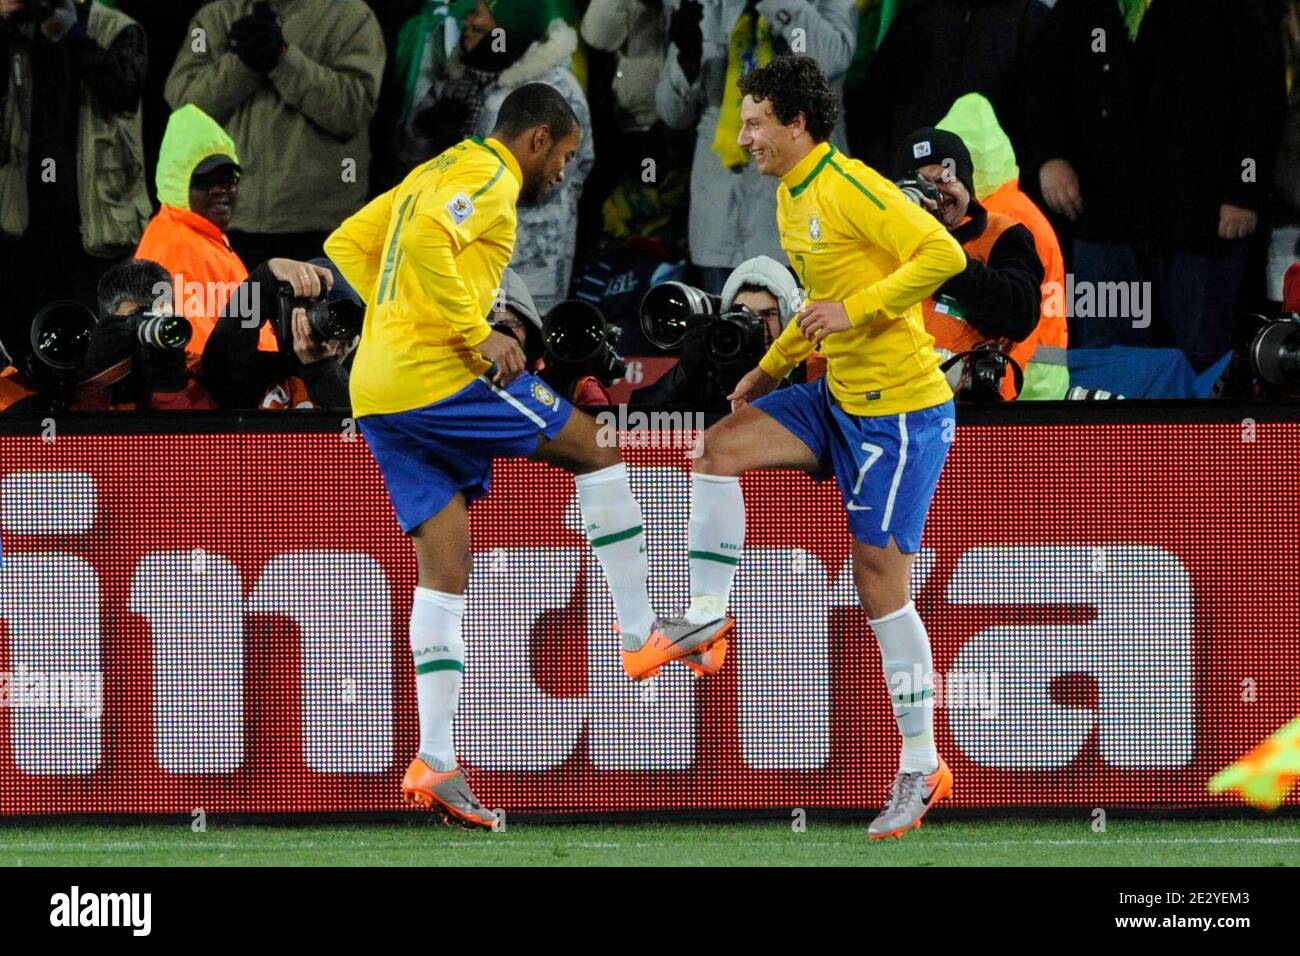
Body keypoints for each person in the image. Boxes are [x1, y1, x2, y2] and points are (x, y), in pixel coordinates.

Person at [323, 83, 730, 828]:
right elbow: (420, 246)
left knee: (445, 563)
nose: (565, 174)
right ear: (537, 140)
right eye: (567, 157)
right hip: (435, 374)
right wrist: (472, 330)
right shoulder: (489, 177)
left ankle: (436, 759)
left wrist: (393, 319)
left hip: (377, 388)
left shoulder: (430, 173)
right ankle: (639, 632)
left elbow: (350, 241)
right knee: (599, 446)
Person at [681, 56, 964, 839]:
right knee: (716, 449)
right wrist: (766, 373)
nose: (742, 137)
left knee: (879, 582)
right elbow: (814, 311)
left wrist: (859, 309)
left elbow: (942, 254)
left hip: (900, 413)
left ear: (797, 125)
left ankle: (921, 763)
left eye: (754, 122)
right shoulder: (787, 194)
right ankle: (707, 618)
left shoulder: (853, 186)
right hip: (835, 396)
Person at [1025, 0, 1284, 371]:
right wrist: (1050, 157)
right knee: (1107, 361)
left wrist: (1245, 189)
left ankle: (1199, 432)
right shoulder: (1083, 8)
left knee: (1202, 358)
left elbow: (1261, 92)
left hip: (1202, 220)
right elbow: (1041, 79)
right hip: (1105, 218)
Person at [655, 0, 858, 293]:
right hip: (718, 220)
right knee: (723, 334)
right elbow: (672, 113)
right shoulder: (708, 5)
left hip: (799, 224)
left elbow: (828, 60)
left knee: (801, 335)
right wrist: (687, 59)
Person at [164, 0, 386, 268]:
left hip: (318, 228)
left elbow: (352, 110)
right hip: (227, 225)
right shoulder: (214, 17)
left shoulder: (352, 16)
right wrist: (241, 64)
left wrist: (283, 58)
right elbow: (184, 107)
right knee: (233, 311)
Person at [406, 0, 593, 313]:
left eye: (481, 13)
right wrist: (425, 130)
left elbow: (556, 178)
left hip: (527, 269)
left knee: (519, 358)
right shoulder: (462, 77)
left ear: (511, 26)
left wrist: (473, 160)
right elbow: (408, 154)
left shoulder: (555, 91)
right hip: (460, 258)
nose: (469, 21)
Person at [0, 0, 150, 349]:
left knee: (102, 349)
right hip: (24, 227)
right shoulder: (15, 28)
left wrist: (66, 32)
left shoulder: (118, 28)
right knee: (23, 350)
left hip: (93, 227)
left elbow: (124, 89)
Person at [893, 125, 1044, 401]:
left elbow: (1021, 315)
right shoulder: (882, 243)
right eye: (922, 184)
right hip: (892, 407)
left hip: (973, 413)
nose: (936, 195)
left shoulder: (1002, 235)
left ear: (967, 186)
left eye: (945, 180)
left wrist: (941, 255)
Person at [933, 92, 1068, 400]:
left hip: (1027, 386)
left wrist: (1000, 393)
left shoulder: (1003, 224)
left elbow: (1018, 316)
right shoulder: (1009, 209)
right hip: (1035, 377)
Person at [135, 104, 279, 371]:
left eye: (227, 180)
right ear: (177, 182)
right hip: (211, 402)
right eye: (204, 181)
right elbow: (198, 353)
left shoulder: (201, 239)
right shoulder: (176, 245)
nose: (219, 190)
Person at [631, 254, 806, 409]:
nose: (753, 324)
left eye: (767, 314)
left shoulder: (807, 368)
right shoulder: (707, 374)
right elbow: (633, 423)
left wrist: (766, 375)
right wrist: (685, 372)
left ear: (787, 320)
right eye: (742, 313)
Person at [202, 257, 354, 411]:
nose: (319, 325)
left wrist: (320, 368)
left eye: (336, 317)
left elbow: (360, 426)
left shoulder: (366, 381)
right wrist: (264, 279)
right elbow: (223, 357)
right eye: (309, 311)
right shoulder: (262, 376)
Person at [74, 258, 216, 411]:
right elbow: (77, 429)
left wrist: (172, 387)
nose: (150, 327)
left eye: (160, 318)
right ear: (108, 323)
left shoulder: (202, 373)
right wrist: (97, 378)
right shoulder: (81, 371)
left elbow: (198, 431)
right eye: (138, 316)